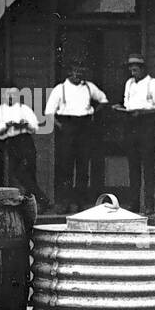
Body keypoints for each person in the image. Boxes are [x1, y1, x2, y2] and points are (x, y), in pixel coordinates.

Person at [45, 59, 108, 211]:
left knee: (83, 166)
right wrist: (60, 126)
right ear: (69, 72)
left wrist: (93, 112)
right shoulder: (60, 89)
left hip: (84, 127)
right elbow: (49, 112)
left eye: (81, 72)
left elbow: (103, 100)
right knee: (65, 166)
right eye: (76, 71)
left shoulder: (89, 87)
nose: (79, 75)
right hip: (67, 127)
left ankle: (80, 202)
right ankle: (65, 202)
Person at [118, 53, 155, 213]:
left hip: (146, 126)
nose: (133, 72)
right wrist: (121, 109)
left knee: (148, 167)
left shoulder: (154, 84)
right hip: (130, 126)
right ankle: (134, 204)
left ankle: (149, 204)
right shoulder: (129, 83)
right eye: (131, 69)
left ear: (143, 69)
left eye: (136, 69)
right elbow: (127, 104)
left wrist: (142, 113)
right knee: (133, 166)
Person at [0, 84, 51, 210]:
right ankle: (43, 200)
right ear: (5, 96)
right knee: (18, 173)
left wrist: (25, 124)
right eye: (9, 95)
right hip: (12, 142)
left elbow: (35, 127)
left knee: (29, 172)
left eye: (14, 95)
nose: (11, 97)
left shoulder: (25, 109)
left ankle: (34, 205)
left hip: (25, 141)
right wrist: (7, 125)